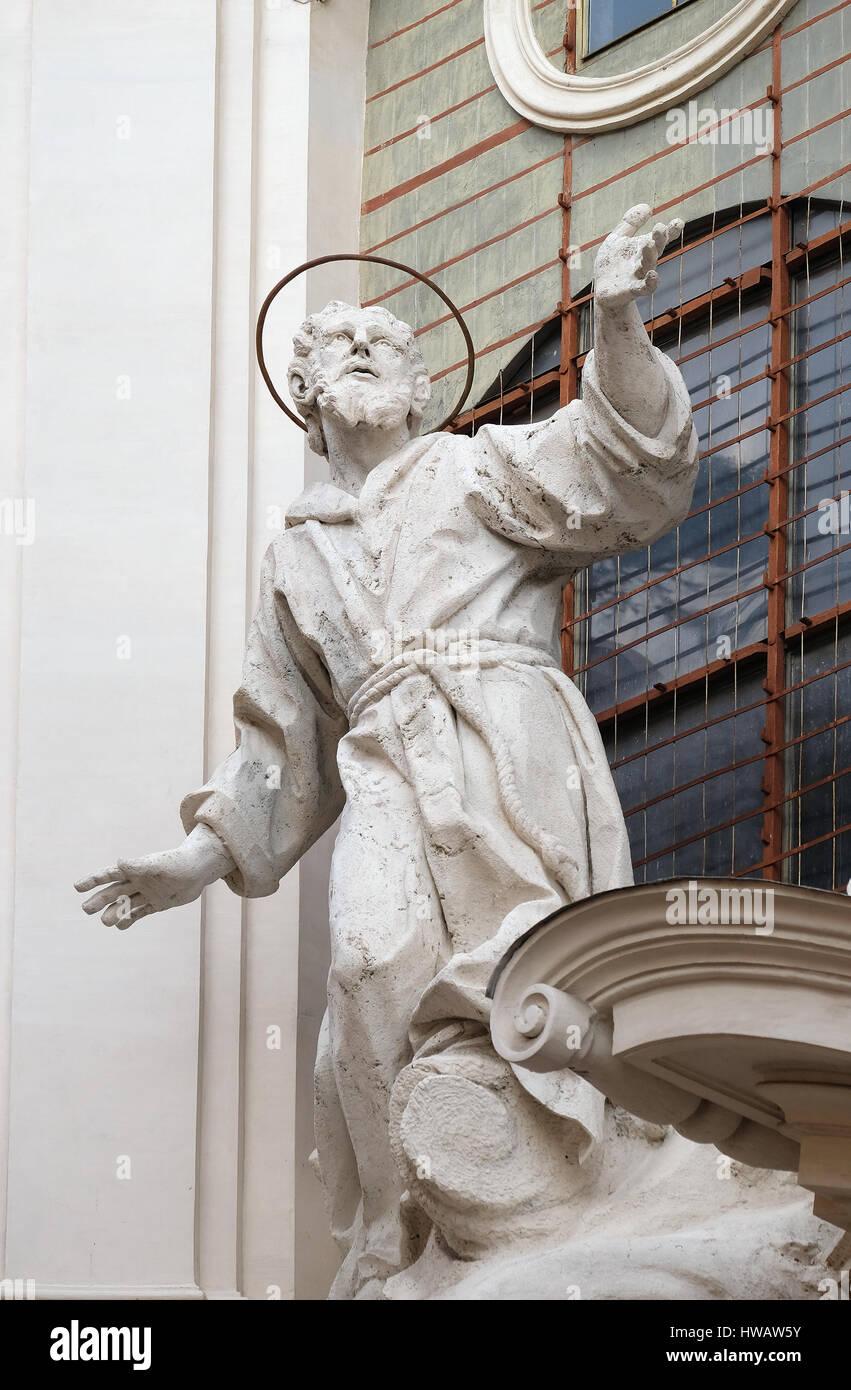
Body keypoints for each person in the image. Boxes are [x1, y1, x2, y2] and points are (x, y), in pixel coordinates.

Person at [77, 205, 699, 1297]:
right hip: (383, 765)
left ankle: (547, 1177)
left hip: (507, 739)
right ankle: (406, 1225)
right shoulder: (291, 557)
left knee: (530, 965)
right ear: (308, 397)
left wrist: (612, 320)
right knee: (368, 963)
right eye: (334, 347)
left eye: (386, 346)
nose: (362, 352)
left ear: (420, 392)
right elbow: (279, 742)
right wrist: (195, 861)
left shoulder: (472, 469)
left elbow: (619, 468)